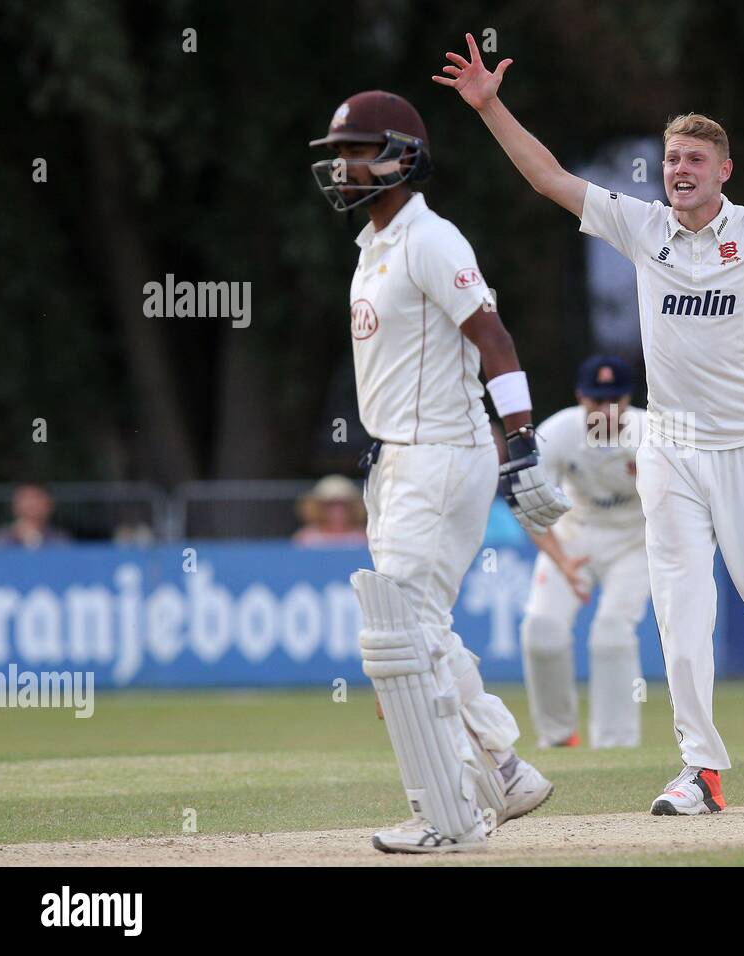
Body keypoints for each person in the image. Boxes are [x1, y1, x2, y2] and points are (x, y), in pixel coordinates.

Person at [435, 33, 744, 815]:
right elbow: (549, 177)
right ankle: (701, 769)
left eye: (694, 160)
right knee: (680, 611)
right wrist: (490, 106)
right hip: (669, 446)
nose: (679, 172)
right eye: (670, 161)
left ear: (723, 170)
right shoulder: (642, 227)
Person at [309, 89, 569, 853]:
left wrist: (520, 440)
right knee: (422, 631)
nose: (344, 166)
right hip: (395, 464)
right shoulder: (372, 249)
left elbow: (495, 338)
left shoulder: (431, 238)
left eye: (357, 150)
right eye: (339, 154)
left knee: (399, 639)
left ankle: (448, 816)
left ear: (402, 155)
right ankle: (504, 768)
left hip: (441, 455)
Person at [520, 355, 649, 749]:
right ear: (581, 397)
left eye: (615, 401)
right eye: (596, 402)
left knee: (611, 634)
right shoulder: (557, 432)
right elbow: (530, 507)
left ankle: (615, 745)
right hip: (572, 537)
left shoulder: (654, 433)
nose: (605, 412)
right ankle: (559, 737)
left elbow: (682, 501)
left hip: (635, 541)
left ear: (629, 398)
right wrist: (562, 561)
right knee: (541, 631)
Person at [292, 475, 368, 547]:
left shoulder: (364, 538)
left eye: (343, 505)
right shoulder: (306, 538)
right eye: (330, 505)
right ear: (318, 508)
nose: (337, 511)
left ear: (353, 508)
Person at [0, 484, 71, 548]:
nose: (31, 505)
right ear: (15, 505)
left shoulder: (59, 539)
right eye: (26, 500)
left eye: (37, 499)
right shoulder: (2, 538)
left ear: (49, 505)